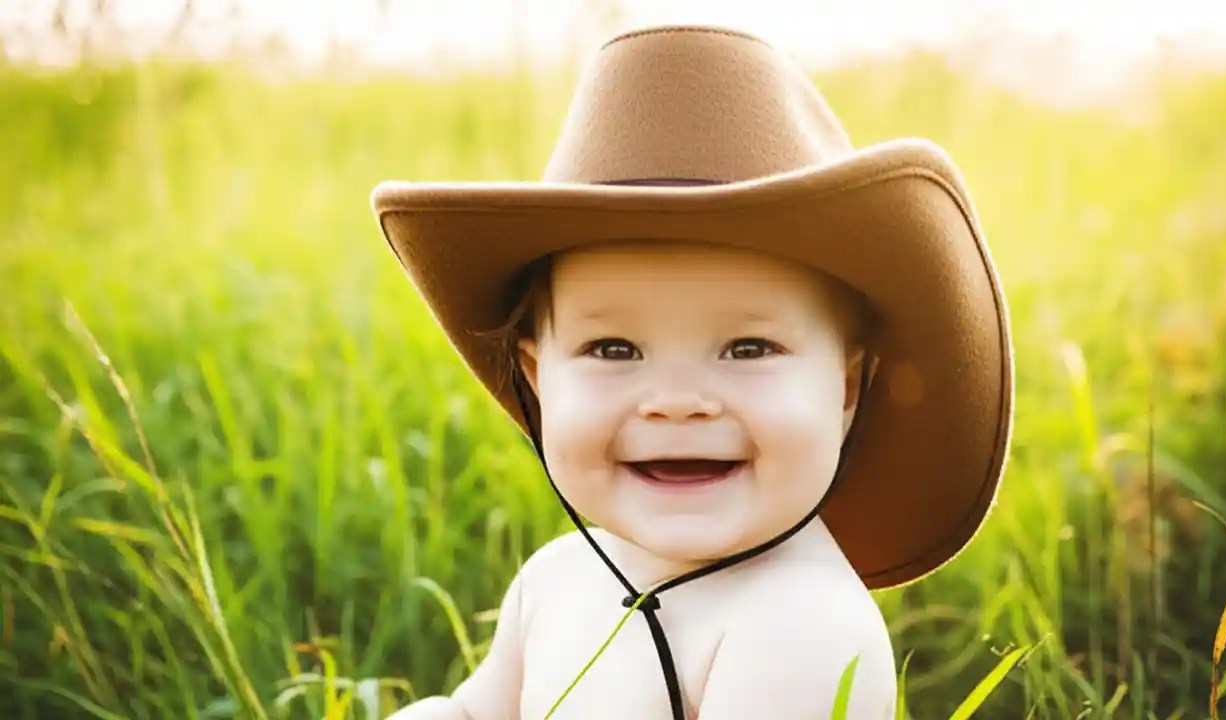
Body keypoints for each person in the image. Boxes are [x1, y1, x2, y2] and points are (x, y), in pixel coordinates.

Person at [371, 22, 1014, 720]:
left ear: (846, 391)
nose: (677, 403)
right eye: (613, 350)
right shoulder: (557, 577)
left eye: (748, 349)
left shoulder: (800, 623)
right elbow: (475, 712)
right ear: (536, 380)